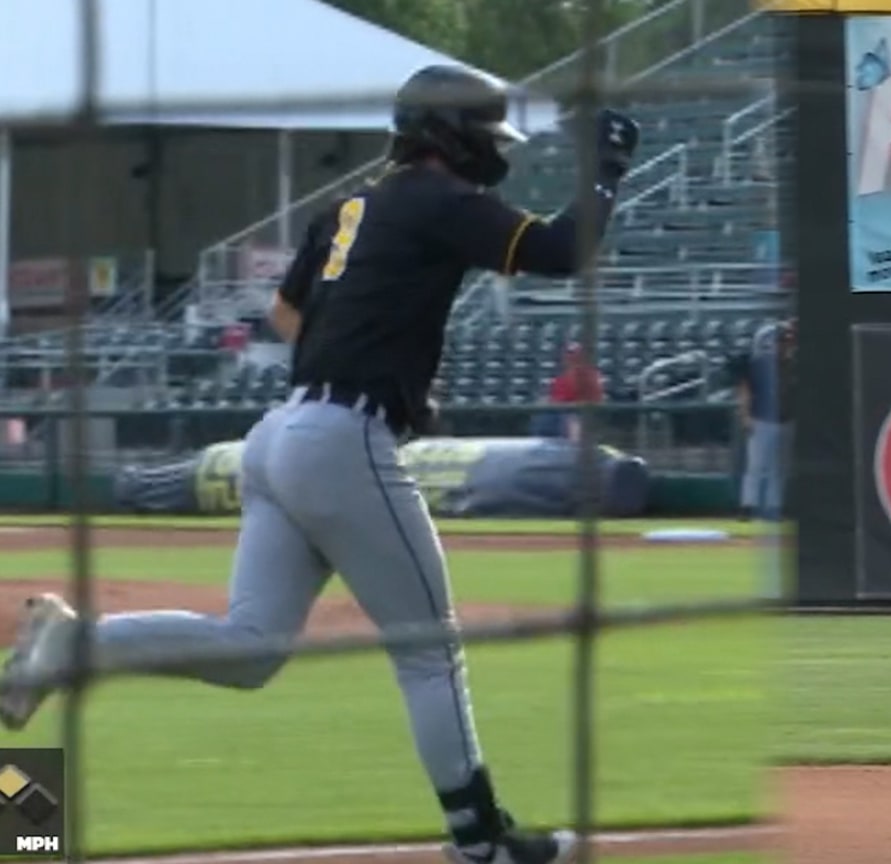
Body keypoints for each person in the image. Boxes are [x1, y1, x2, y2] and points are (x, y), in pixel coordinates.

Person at [0, 65, 640, 864]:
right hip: (342, 437)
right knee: (427, 647)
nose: (491, 149)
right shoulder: (439, 200)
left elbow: (283, 312)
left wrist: (374, 349)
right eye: (483, 133)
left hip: (282, 432)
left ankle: (77, 645)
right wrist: (607, 170)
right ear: (453, 135)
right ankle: (481, 845)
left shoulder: (349, 203)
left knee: (252, 647)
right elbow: (560, 249)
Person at [729, 318, 793, 521]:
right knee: (756, 466)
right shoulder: (759, 363)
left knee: (778, 469)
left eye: (785, 341)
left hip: (786, 420)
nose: (782, 345)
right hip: (761, 419)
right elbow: (745, 390)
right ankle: (748, 506)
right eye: (779, 341)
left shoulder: (794, 364)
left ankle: (775, 507)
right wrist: (745, 415)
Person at [546, 342, 603, 440]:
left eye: (574, 354)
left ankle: (575, 446)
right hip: (561, 413)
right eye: (569, 354)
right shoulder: (563, 378)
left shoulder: (591, 375)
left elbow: (595, 399)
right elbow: (556, 400)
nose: (571, 358)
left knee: (572, 418)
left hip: (580, 413)